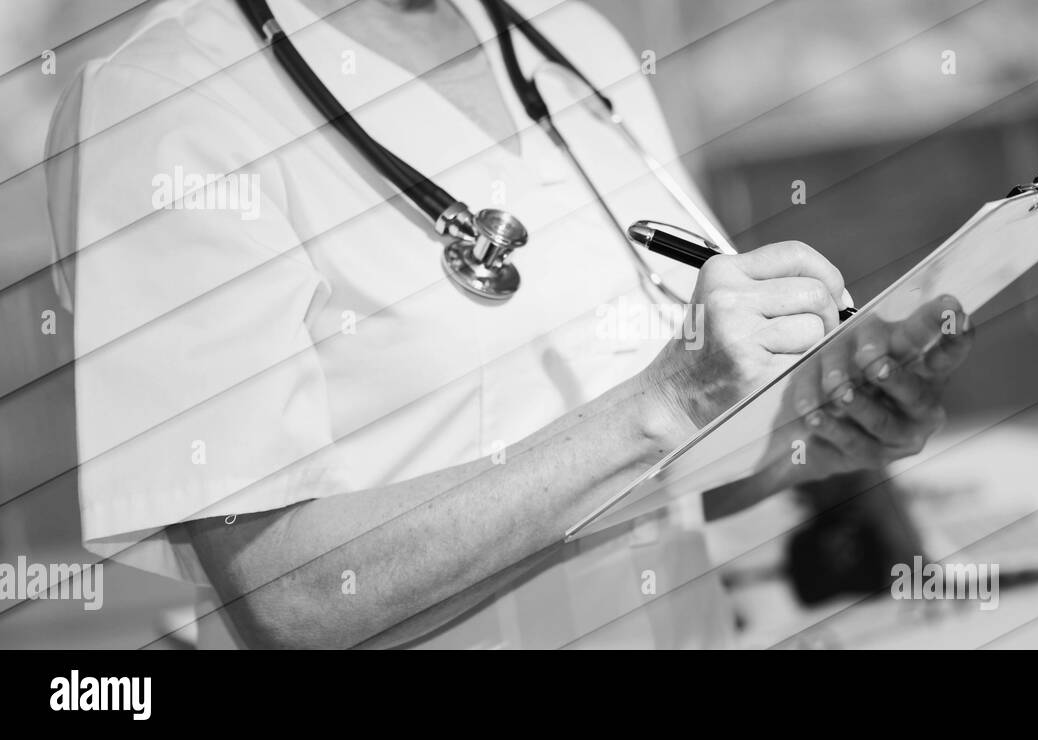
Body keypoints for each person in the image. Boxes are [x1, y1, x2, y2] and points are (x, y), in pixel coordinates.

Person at [44, 0, 969, 648]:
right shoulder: (168, 102)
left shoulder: (572, 42)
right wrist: (664, 403)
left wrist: (817, 430)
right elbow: (287, 600)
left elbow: (663, 483)